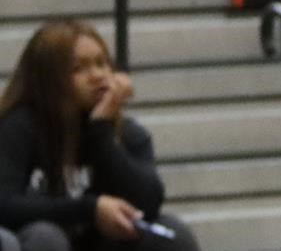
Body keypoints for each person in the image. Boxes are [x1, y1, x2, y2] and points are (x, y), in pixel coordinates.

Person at [0, 21, 199, 251]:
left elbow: (148, 203)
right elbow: (5, 205)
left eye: (101, 63)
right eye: (79, 68)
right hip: (40, 240)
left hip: (100, 243)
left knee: (172, 234)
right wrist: (90, 209)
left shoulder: (125, 131)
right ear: (48, 78)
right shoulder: (19, 127)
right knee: (45, 237)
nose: (97, 75)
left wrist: (102, 130)